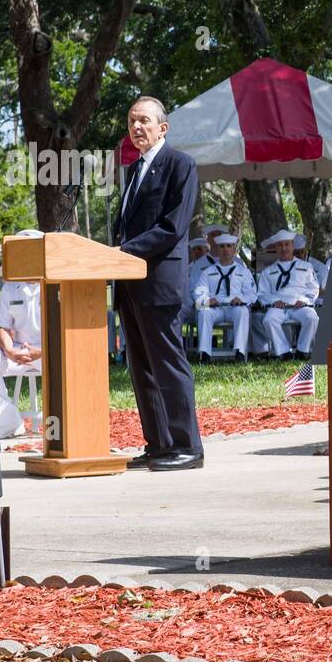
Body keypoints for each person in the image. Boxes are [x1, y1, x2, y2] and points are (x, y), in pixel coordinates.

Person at [113, 96, 204, 472]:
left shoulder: (180, 164)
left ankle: (188, 447)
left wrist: (121, 253)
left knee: (168, 365)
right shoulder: (133, 170)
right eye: (132, 121)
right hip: (129, 286)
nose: (137, 127)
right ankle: (159, 444)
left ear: (162, 127)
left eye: (144, 121)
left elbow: (172, 227)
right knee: (141, 368)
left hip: (160, 283)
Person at [0, 229, 44, 440]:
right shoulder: (10, 287)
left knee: (64, 362)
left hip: (49, 352)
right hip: (19, 350)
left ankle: (62, 424)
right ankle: (9, 422)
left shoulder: (56, 284)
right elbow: (2, 327)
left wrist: (41, 351)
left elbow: (63, 330)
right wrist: (9, 350)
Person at [257, 229, 319, 360]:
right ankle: (283, 352)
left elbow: (314, 288)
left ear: (292, 245)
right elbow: (262, 293)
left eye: (287, 244)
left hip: (299, 305)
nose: (284, 248)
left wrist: (303, 300)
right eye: (280, 245)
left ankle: (303, 350)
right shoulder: (268, 271)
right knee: (268, 320)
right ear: (275, 248)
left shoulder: (306, 266)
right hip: (279, 306)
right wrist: (274, 301)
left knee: (312, 317)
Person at [194, 232, 255, 362]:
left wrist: (242, 300)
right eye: (222, 246)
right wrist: (207, 300)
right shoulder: (207, 272)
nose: (225, 249)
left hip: (234, 307)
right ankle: (204, 353)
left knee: (243, 311)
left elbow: (252, 294)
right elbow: (198, 293)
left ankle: (239, 352)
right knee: (204, 313)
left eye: (229, 246)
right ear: (217, 249)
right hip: (216, 308)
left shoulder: (243, 272)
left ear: (234, 249)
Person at [179, 237, 209, 327]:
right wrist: (192, 303)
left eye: (199, 249)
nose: (196, 252)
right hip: (191, 306)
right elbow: (184, 290)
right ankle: (177, 340)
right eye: (194, 249)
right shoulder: (186, 269)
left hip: (207, 305)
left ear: (207, 251)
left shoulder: (211, 267)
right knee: (176, 310)